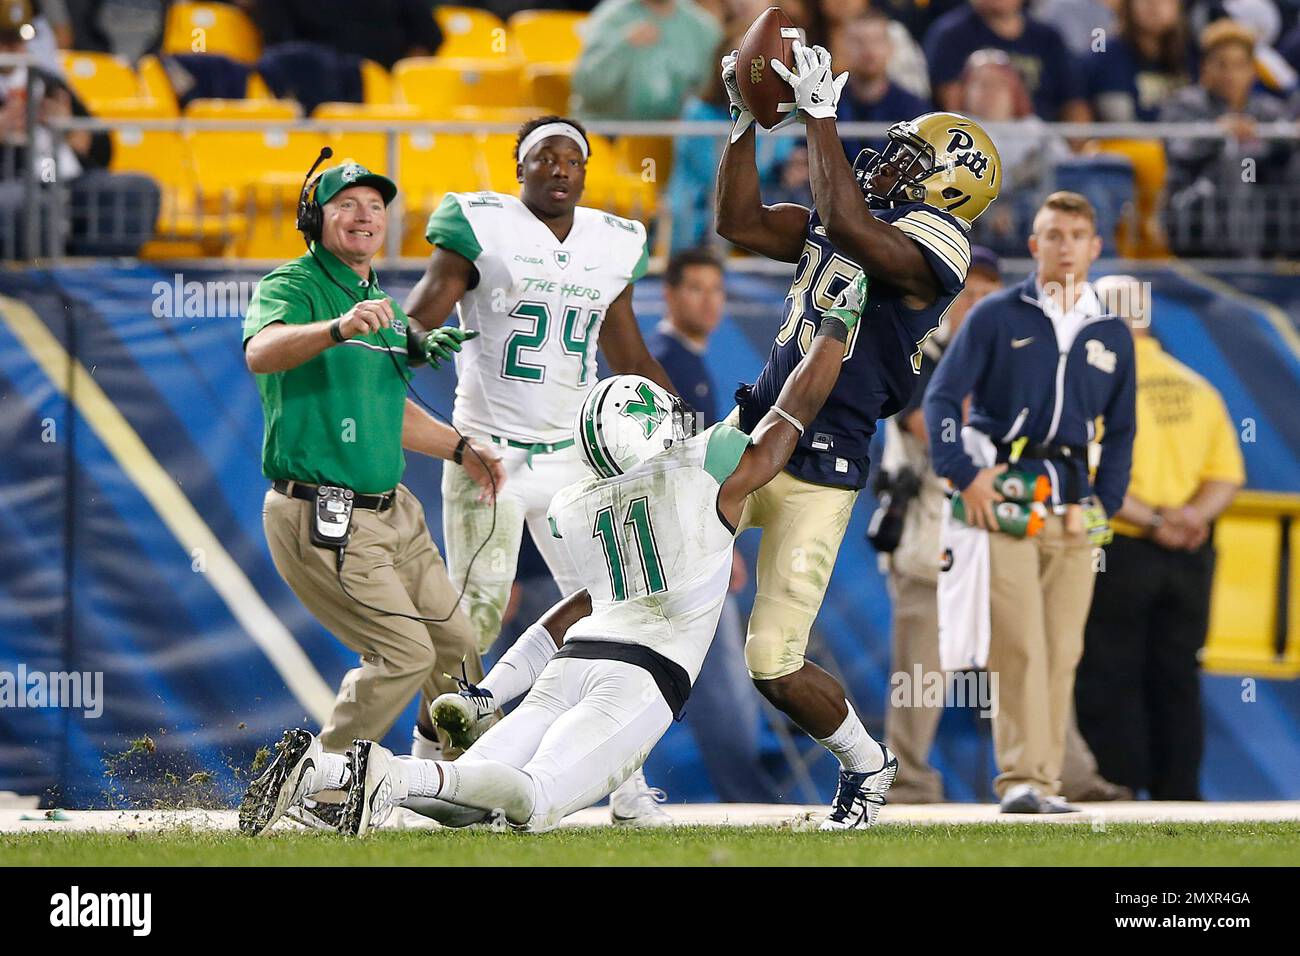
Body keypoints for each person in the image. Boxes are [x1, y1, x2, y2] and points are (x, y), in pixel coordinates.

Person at [238, 277, 878, 835]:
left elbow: (576, 608)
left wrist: (491, 693)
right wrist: (836, 328)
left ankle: (329, 770)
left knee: (476, 797)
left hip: (569, 664)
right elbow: (790, 412)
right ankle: (379, 775)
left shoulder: (578, 503)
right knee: (534, 802)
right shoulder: (703, 477)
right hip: (642, 676)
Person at [716, 41, 1001, 819]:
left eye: (912, 159)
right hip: (748, 428)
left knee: (771, 662)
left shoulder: (940, 245)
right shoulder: (850, 214)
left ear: (948, 187)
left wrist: (820, 116)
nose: (889, 161)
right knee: (648, 575)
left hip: (820, 463)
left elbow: (843, 217)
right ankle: (612, 766)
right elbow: (736, 219)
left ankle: (867, 764)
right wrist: (744, 120)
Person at [401, 115, 677, 824]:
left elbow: (632, 358)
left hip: (575, 456)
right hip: (487, 451)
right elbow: (416, 323)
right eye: (545, 158)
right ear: (518, 167)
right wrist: (400, 342)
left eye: (573, 160)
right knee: (474, 622)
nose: (560, 169)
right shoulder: (480, 225)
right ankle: (426, 771)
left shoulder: (611, 244)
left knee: (619, 613)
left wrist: (679, 428)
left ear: (586, 172)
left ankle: (626, 787)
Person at [242, 160, 504, 802]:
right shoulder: (294, 284)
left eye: (375, 205)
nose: (364, 215)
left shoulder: (381, 300)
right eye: (346, 203)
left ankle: (466, 786)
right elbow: (260, 350)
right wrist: (336, 327)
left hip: (396, 514)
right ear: (314, 219)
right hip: (324, 514)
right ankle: (314, 783)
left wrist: (461, 447)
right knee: (404, 654)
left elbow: (390, 409)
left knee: (458, 646)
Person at [923, 191, 1137, 814]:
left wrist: (1108, 502)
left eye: (1076, 234)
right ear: (1034, 245)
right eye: (1052, 234)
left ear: (1095, 247)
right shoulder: (995, 316)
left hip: (1074, 503)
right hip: (1006, 495)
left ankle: (1047, 782)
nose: (1065, 245)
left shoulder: (1111, 334)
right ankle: (1021, 779)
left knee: (1063, 648)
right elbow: (941, 398)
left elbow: (1121, 430)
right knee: (1018, 642)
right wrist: (964, 474)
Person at [1075, 274, 1245, 801]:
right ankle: (1181, 793)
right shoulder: (1196, 386)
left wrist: (1153, 522)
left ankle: (1119, 788)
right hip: (1192, 554)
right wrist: (1190, 518)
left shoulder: (1093, 387)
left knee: (1109, 670)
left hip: (1121, 551)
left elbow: (1090, 475)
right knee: (1178, 674)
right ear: (1146, 317)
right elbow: (1227, 476)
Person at [646, 246, 778, 803]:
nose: (709, 300)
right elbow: (675, 466)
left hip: (671, 548)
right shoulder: (665, 360)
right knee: (722, 683)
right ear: (670, 293)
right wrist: (718, 540)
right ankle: (744, 797)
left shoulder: (687, 361)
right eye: (695, 288)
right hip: (683, 550)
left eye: (717, 289)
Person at [877, 245, 1002, 804]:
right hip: (931, 536)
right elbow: (930, 427)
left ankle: (1055, 770)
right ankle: (906, 781)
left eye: (987, 293)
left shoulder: (1006, 358)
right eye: (967, 291)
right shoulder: (920, 352)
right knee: (921, 674)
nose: (976, 302)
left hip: (999, 536)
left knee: (1030, 660)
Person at [0, 4, 159, 257]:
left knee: (137, 189)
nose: (13, 47)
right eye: (5, 39)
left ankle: (100, 278)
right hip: (17, 181)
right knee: (25, 203)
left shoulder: (48, 80)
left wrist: (70, 129)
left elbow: (103, 149)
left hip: (68, 179)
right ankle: (29, 280)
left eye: (19, 38)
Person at [1160, 18, 1293, 257]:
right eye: (1221, 64)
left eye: (1239, 65)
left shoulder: (1268, 109)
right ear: (1205, 68)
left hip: (1263, 211)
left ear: (1252, 71)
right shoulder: (1184, 104)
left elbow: (1283, 147)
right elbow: (1180, 150)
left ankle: (1289, 259)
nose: (1230, 74)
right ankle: (1242, 267)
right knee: (1235, 163)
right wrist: (1218, 134)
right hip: (1195, 209)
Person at [923, 0, 1091, 122]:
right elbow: (953, 109)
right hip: (977, 137)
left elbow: (1074, 103)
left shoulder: (1049, 38)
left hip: (1038, 136)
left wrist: (1071, 151)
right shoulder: (951, 35)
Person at [570, 0, 722, 120]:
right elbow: (586, 87)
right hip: (610, 133)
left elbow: (713, 91)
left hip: (677, 136)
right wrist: (623, 45)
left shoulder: (702, 27)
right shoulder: (610, 18)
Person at [834, 10, 931, 161]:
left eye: (876, 41)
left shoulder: (914, 108)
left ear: (890, 47)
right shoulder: (827, 102)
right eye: (859, 41)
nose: (868, 50)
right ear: (844, 47)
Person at [1083, 0, 1195, 123]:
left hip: (1184, 140)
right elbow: (1119, 122)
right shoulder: (1108, 52)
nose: (1154, 5)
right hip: (1130, 140)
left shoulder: (1191, 51)